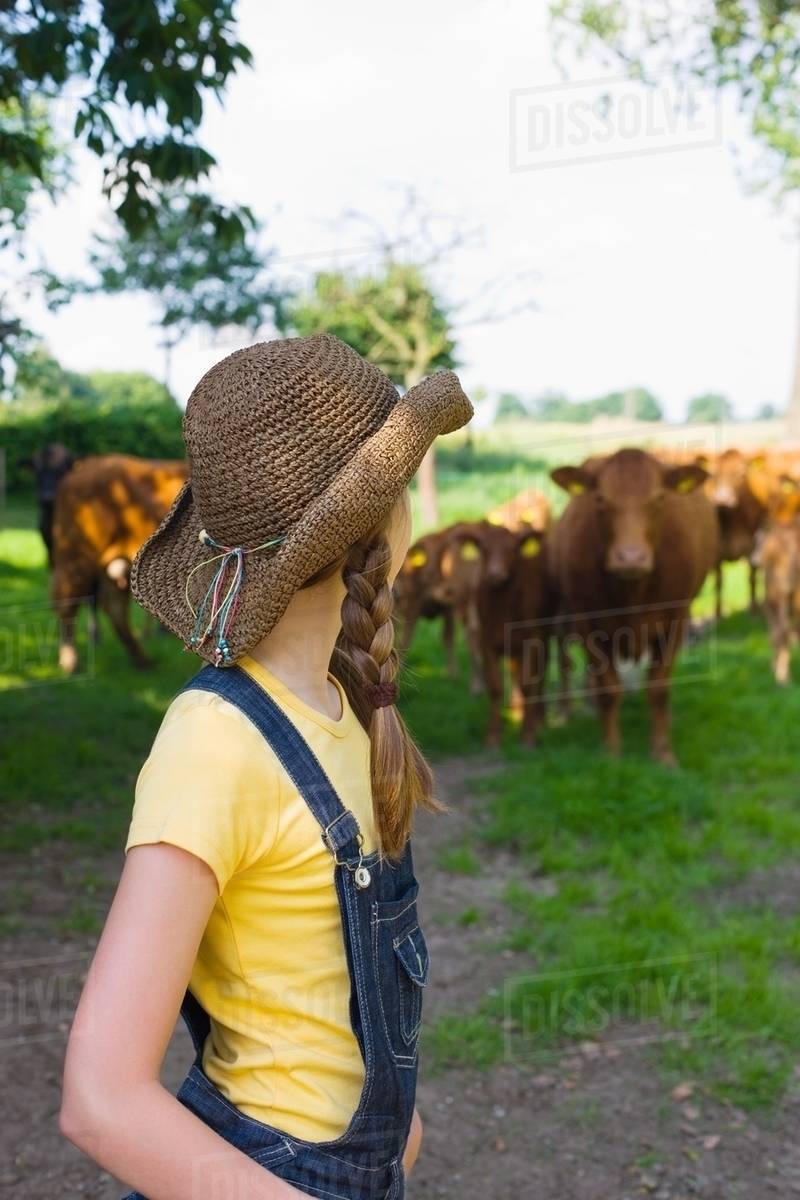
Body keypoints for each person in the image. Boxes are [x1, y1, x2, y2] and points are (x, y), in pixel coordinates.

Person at [59, 334, 473, 1200]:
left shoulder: (338, 704)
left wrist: (398, 1128)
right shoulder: (214, 741)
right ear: (383, 521)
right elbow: (101, 1098)